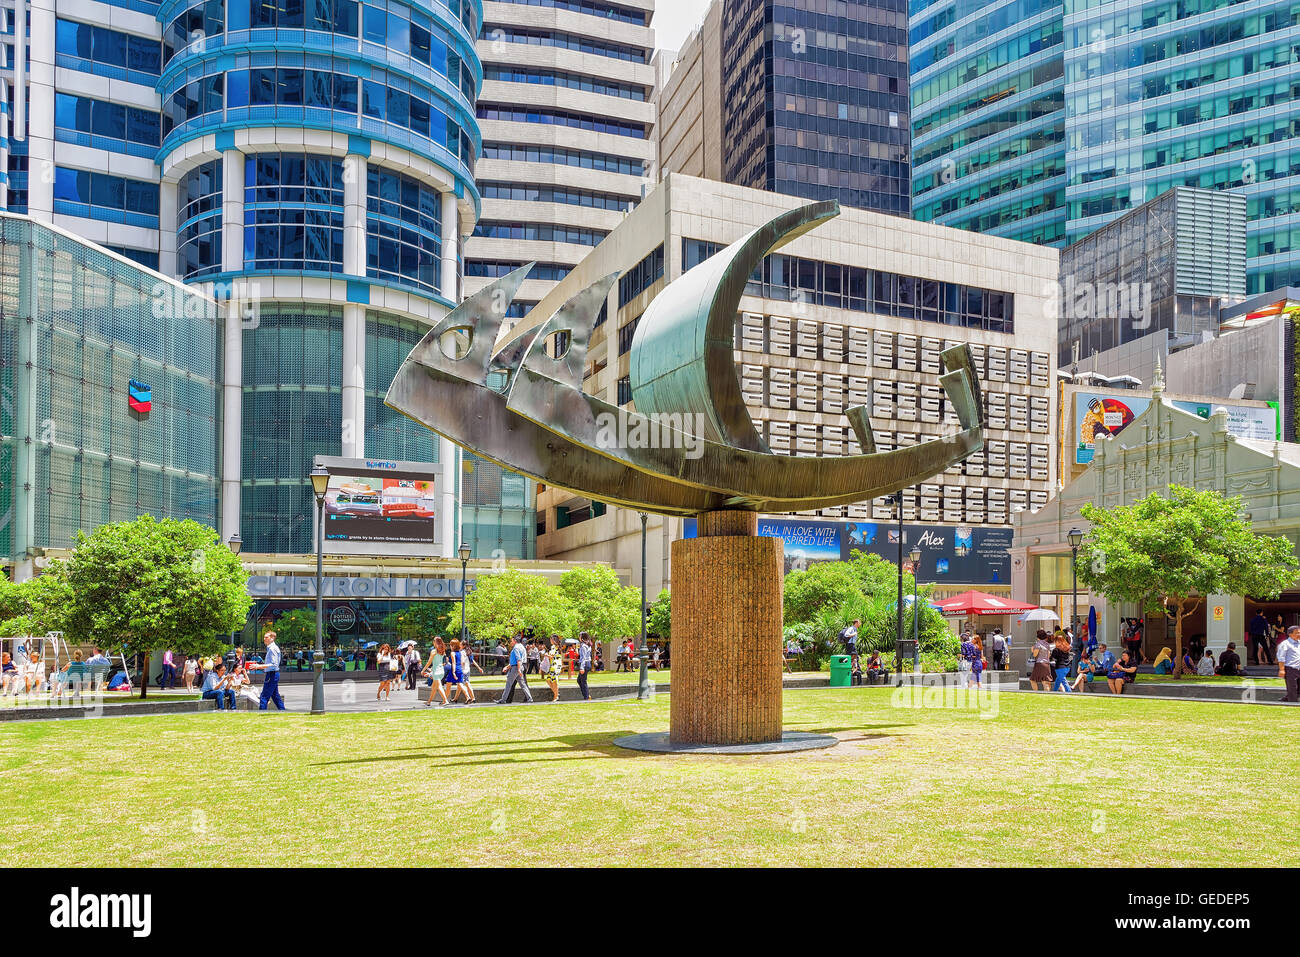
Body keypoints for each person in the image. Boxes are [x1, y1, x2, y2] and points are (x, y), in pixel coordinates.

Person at [246, 631, 286, 710]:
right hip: (272, 674)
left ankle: (262, 712)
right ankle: (282, 711)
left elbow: (274, 665)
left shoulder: (272, 649)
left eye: (266, 637)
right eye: (264, 637)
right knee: (275, 696)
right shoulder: (272, 648)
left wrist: (258, 666)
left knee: (264, 696)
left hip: (271, 674)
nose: (264, 639)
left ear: (272, 638)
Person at [497, 633, 533, 704]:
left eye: (511, 640)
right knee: (522, 684)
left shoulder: (516, 648)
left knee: (509, 683)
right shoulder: (522, 647)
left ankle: (503, 699)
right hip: (519, 667)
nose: (510, 642)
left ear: (514, 640)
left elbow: (518, 659)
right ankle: (529, 698)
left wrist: (518, 669)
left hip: (516, 668)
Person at [422, 638, 450, 707]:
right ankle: (429, 702)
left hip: (436, 671)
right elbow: (444, 661)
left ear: (435, 642)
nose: (433, 642)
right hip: (441, 671)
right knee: (434, 687)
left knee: (439, 686)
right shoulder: (442, 651)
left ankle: (445, 700)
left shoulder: (434, 651)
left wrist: (423, 670)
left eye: (434, 641)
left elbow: (429, 662)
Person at [1278, 625, 1300, 703]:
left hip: (1299, 668)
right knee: (1292, 687)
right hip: (1290, 668)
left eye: (1299, 633)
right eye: (1296, 633)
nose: (1299, 635)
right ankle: (1292, 702)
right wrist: (1282, 670)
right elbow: (1281, 658)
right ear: (1290, 634)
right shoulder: (1285, 644)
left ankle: (1287, 698)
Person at [576, 633, 593, 701]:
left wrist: (582, 667)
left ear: (582, 638)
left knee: (583, 681)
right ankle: (586, 695)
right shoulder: (588, 645)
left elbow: (583, 657)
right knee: (579, 680)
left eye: (579, 636)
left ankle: (586, 696)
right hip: (587, 663)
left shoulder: (583, 646)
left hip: (584, 664)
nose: (578, 637)